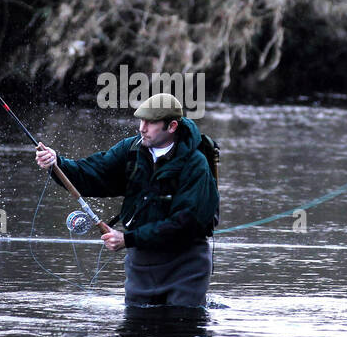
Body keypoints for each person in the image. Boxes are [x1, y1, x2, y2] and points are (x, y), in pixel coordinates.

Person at [35, 93, 219, 306]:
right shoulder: (130, 150)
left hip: (186, 265)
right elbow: (92, 174)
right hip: (141, 264)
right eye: (141, 120)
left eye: (150, 123)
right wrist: (57, 163)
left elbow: (186, 223)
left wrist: (127, 240)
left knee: (181, 325)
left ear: (172, 126)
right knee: (136, 326)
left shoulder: (195, 164)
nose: (142, 128)